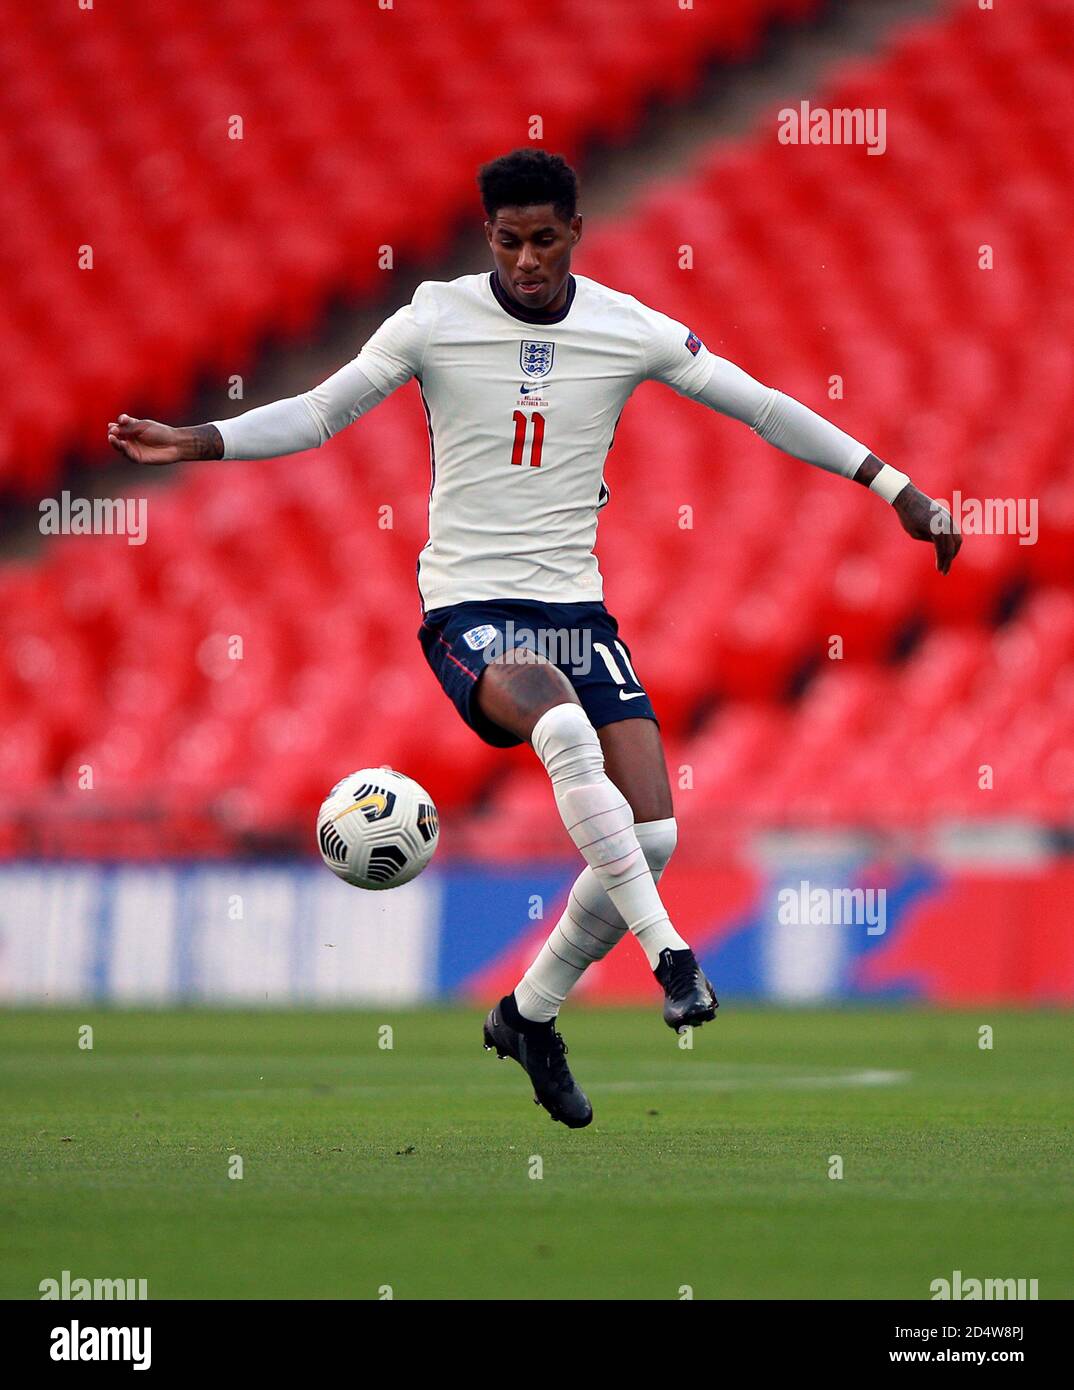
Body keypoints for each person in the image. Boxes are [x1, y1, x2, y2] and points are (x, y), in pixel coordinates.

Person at [108, 148, 960, 1129]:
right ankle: (671, 958)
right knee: (560, 729)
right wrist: (200, 440)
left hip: (577, 609)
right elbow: (319, 411)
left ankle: (529, 1011)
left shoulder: (625, 327)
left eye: (544, 239)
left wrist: (893, 486)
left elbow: (761, 406)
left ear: (577, 233)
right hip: (470, 610)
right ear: (488, 238)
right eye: (508, 241)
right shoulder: (435, 317)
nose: (525, 260)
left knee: (654, 834)